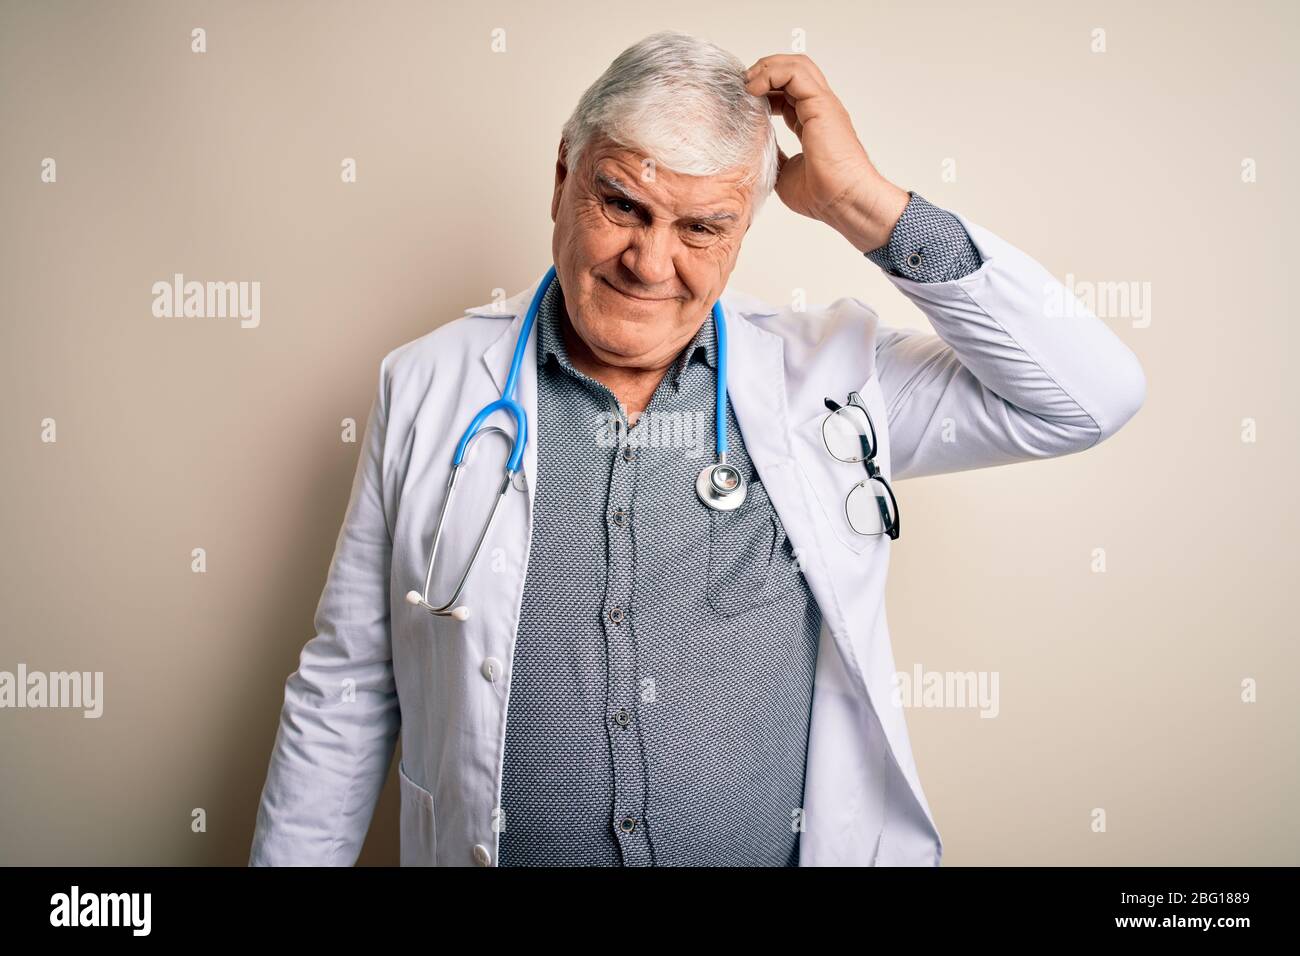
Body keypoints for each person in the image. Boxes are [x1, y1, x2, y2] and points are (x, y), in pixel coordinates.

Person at [249, 30, 1145, 867]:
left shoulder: (825, 387)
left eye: (701, 228)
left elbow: (1089, 397)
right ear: (563, 177)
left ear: (744, 232)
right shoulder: (426, 385)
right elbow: (348, 691)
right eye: (622, 204)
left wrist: (863, 205)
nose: (650, 261)